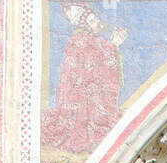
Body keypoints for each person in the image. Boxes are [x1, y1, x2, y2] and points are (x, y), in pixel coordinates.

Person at [42, 3, 127, 153]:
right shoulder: (81, 41)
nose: (98, 24)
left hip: (84, 95)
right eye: (92, 21)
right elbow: (94, 66)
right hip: (79, 100)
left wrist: (113, 45)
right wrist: (114, 44)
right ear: (84, 24)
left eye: (96, 20)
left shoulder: (90, 40)